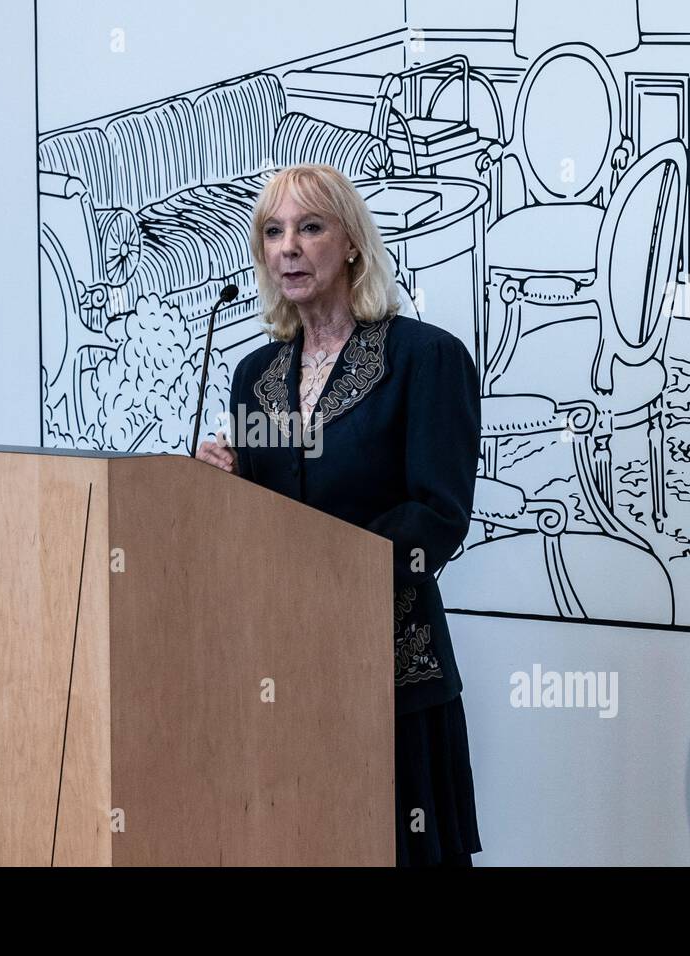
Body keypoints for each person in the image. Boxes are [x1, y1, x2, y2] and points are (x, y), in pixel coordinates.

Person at [196, 163, 482, 867]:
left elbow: (438, 516)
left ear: (351, 242)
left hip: (387, 665)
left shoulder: (426, 359)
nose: (288, 246)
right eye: (273, 231)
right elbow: (259, 519)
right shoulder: (254, 377)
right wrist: (221, 488)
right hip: (280, 667)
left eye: (310, 226)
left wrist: (321, 565)